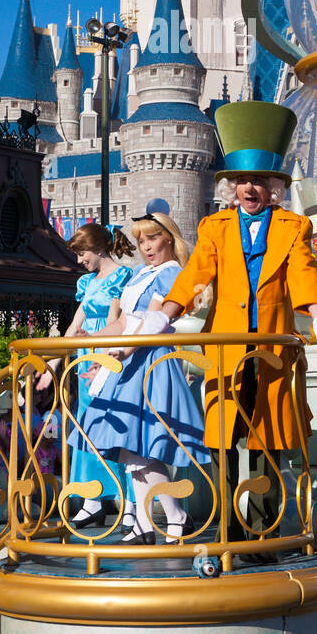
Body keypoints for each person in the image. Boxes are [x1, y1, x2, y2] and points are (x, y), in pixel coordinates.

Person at [160, 101, 317, 546]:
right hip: (226, 348)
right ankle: (227, 530)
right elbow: (196, 272)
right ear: (232, 186)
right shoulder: (214, 227)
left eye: (258, 181)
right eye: (242, 181)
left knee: (268, 440)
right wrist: (167, 312)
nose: (250, 189)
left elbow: (303, 272)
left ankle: (263, 533)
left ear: (273, 186)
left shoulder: (294, 227)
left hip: (273, 351)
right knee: (224, 437)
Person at [71, 209, 210, 545]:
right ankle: (148, 524)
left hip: (150, 361)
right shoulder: (138, 275)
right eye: (141, 241)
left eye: (152, 238)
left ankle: (174, 517)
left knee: (148, 446)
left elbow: (155, 321)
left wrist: (120, 352)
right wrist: (95, 345)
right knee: (132, 449)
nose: (146, 247)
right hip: (127, 360)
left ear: (168, 238)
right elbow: (122, 322)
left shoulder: (172, 273)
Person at [39, 222, 135, 531]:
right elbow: (73, 327)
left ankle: (130, 504)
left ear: (98, 249)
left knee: (115, 429)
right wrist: (53, 364)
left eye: (82, 254)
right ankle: (93, 501)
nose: (80, 260)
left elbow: (115, 320)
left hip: (108, 356)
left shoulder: (122, 276)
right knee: (88, 427)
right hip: (85, 357)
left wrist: (102, 358)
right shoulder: (87, 283)